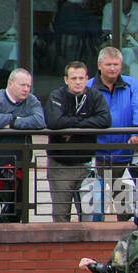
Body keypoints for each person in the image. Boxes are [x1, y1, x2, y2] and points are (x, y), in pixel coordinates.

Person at [45, 60, 112, 222]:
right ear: (66, 80)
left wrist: (73, 127)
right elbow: (54, 122)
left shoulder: (94, 96)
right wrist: (85, 122)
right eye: (73, 78)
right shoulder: (56, 95)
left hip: (85, 164)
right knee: (61, 215)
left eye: (81, 78)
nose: (78, 82)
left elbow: (105, 120)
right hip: (61, 166)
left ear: (86, 79)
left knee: (90, 215)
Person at [0, 69, 46, 224]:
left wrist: (13, 123)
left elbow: (39, 121)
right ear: (10, 83)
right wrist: (15, 118)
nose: (26, 89)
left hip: (19, 163)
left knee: (16, 212)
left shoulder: (32, 100)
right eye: (22, 85)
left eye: (28, 86)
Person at [91, 46, 138, 221]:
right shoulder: (89, 85)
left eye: (116, 64)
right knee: (94, 207)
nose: (113, 68)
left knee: (125, 209)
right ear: (100, 65)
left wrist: (136, 133)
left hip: (124, 155)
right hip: (96, 155)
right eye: (108, 64)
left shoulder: (131, 84)